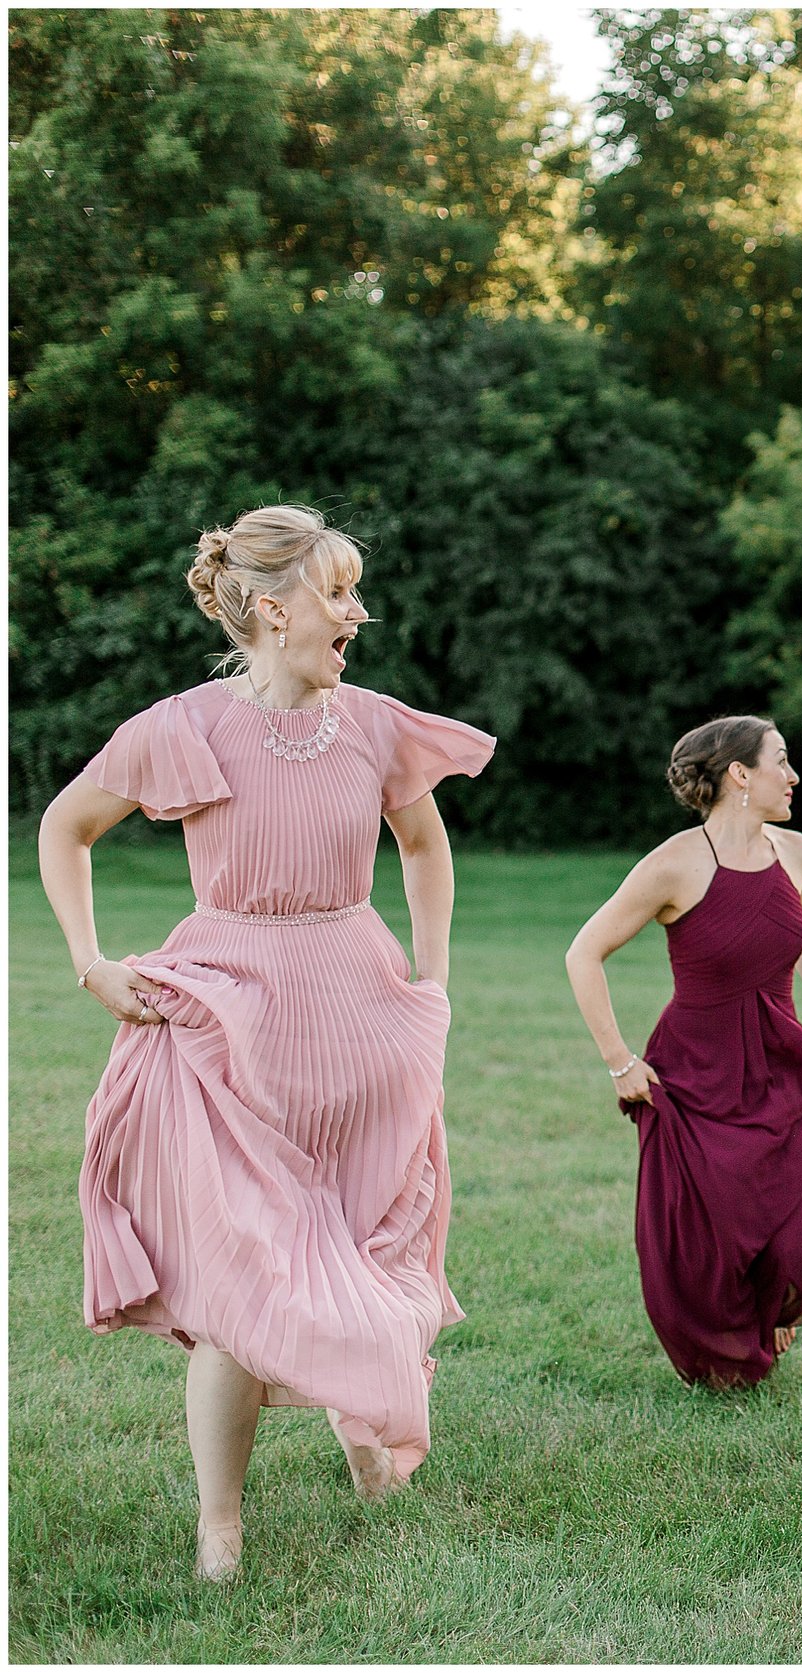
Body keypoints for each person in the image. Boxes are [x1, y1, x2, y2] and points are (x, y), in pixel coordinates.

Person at [35, 506, 494, 1580]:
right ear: (275, 609)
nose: (357, 613)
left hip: (360, 1008)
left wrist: (431, 976)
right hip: (231, 1024)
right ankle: (221, 1524)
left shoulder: (376, 724)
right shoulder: (181, 726)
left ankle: (364, 1431)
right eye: (339, 594)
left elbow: (423, 843)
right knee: (242, 1277)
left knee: (372, 1245)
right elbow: (64, 825)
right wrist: (89, 958)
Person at [564, 717, 802, 1388]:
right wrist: (619, 1060)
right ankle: (728, 1345)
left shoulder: (799, 853)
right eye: (779, 762)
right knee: (710, 1236)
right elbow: (583, 952)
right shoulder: (675, 863)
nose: (792, 777)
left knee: (796, 1233)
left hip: (782, 1059)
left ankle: (776, 1302)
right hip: (698, 1070)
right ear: (740, 775)